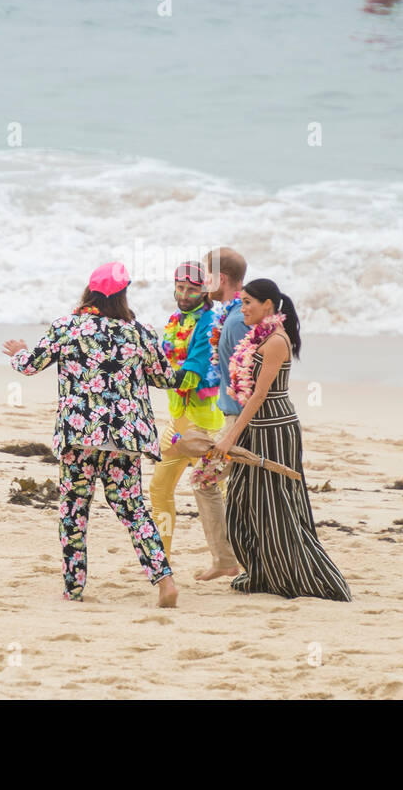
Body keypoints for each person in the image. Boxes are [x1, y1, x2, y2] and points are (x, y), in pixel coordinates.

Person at [3, 262, 179, 607]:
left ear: (90, 292)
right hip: (125, 439)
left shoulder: (68, 326)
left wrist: (18, 351)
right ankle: (165, 581)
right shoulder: (140, 332)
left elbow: (29, 365)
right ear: (123, 294)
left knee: (74, 511)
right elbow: (165, 379)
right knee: (133, 511)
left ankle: (73, 589)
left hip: (79, 437)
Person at [213, 279, 351, 601]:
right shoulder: (256, 337)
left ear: (269, 306)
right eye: (242, 301)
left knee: (276, 509)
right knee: (241, 504)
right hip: (256, 426)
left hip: (275, 430)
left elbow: (259, 395)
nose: (243, 308)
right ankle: (262, 573)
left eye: (248, 302)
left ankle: (299, 579)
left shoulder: (276, 340)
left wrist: (230, 437)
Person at [148, 261, 225, 563]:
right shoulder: (175, 320)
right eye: (179, 288)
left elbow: (191, 375)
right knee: (159, 490)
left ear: (204, 290)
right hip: (177, 424)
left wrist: (150, 375)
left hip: (205, 428)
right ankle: (161, 560)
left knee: (218, 498)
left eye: (191, 289)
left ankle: (234, 560)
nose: (183, 294)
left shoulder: (209, 324)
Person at [189, 247, 248, 581]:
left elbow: (247, 383)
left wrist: (233, 432)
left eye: (207, 275)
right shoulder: (233, 314)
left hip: (238, 421)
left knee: (203, 480)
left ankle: (226, 559)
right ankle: (227, 559)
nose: (202, 281)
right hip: (235, 419)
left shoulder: (238, 320)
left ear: (221, 279)